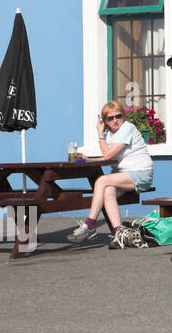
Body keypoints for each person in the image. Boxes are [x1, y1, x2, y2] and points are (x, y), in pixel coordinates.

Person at [66, 102, 154, 245]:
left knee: (101, 181)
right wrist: (88, 159)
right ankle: (119, 233)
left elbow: (107, 156)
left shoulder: (127, 128)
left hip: (140, 173)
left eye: (118, 116)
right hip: (123, 175)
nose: (115, 120)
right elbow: (110, 156)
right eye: (110, 118)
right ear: (105, 121)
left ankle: (89, 225)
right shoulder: (109, 135)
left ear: (123, 116)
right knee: (108, 190)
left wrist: (99, 134)